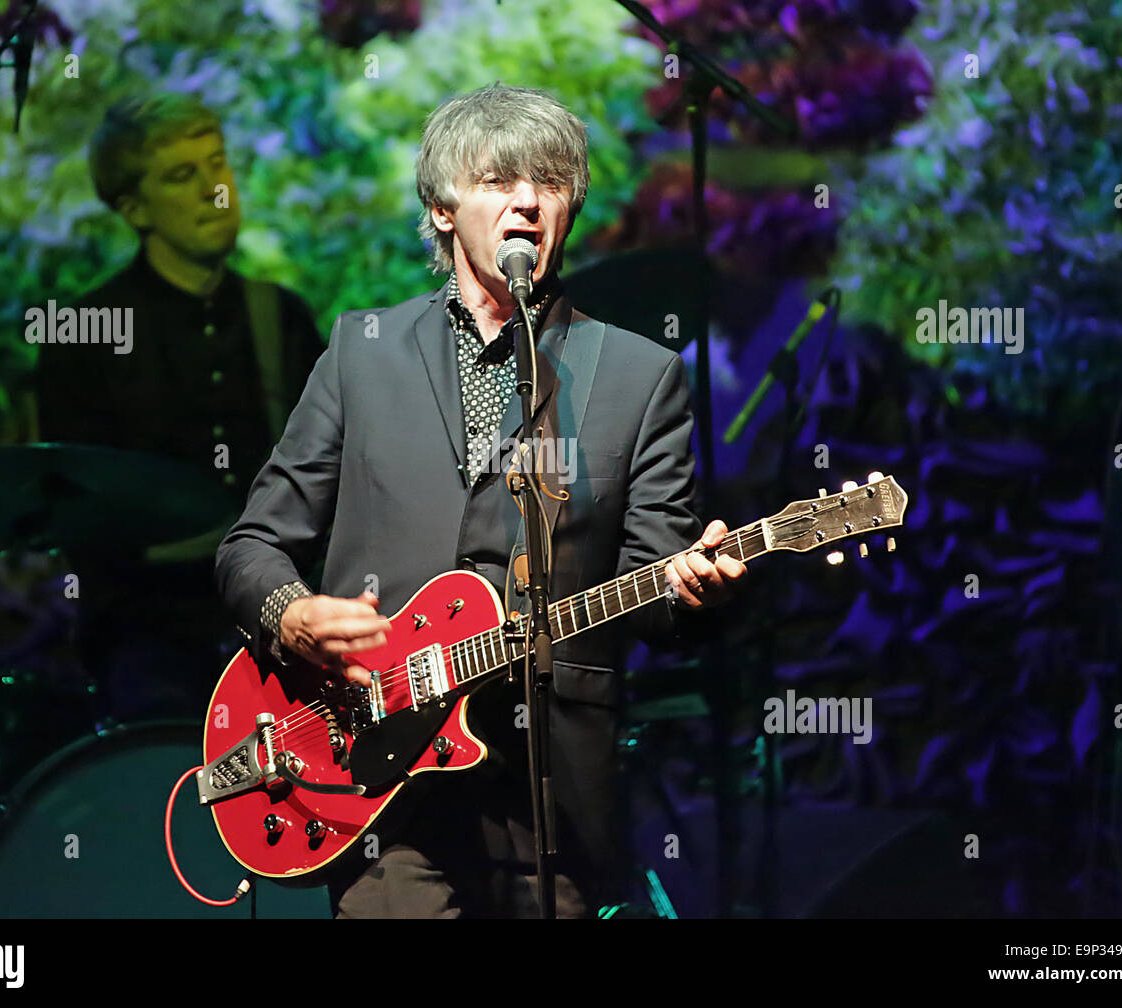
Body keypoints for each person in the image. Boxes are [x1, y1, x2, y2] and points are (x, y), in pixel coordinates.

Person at [216, 85, 744, 917]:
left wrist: (691, 591)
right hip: (381, 778)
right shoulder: (363, 351)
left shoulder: (640, 377)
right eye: (499, 180)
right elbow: (251, 544)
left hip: (558, 804)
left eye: (551, 182)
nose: (528, 202)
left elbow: (656, 589)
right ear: (440, 207)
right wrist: (291, 615)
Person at [37, 92, 325, 720]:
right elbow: (83, 518)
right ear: (133, 208)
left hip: (283, 618)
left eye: (217, 165)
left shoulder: (282, 318)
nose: (214, 190)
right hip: (152, 636)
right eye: (181, 176)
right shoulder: (81, 333)